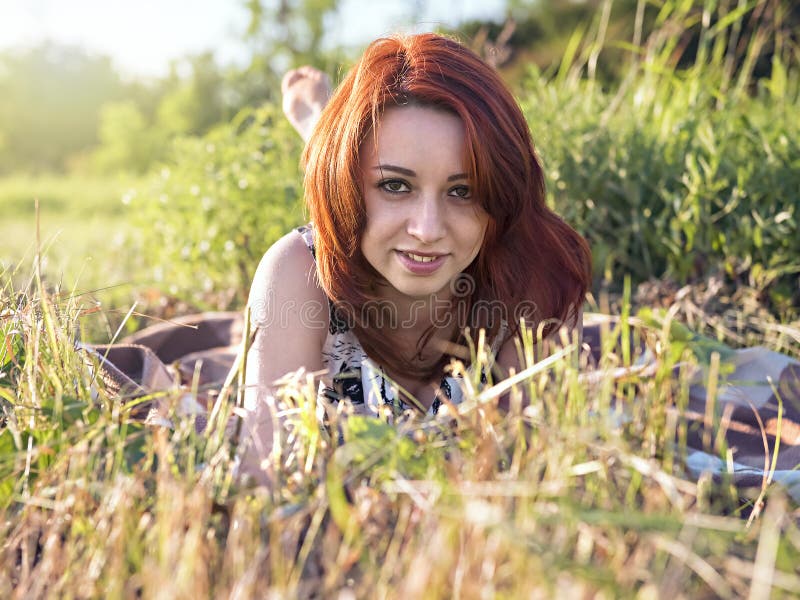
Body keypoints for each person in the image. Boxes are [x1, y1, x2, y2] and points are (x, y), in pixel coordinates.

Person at [239, 33, 592, 485]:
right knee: (340, 179)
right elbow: (264, 482)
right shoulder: (297, 271)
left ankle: (334, 135)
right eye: (395, 186)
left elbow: (551, 477)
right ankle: (321, 128)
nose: (427, 230)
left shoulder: (535, 278)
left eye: (463, 191)